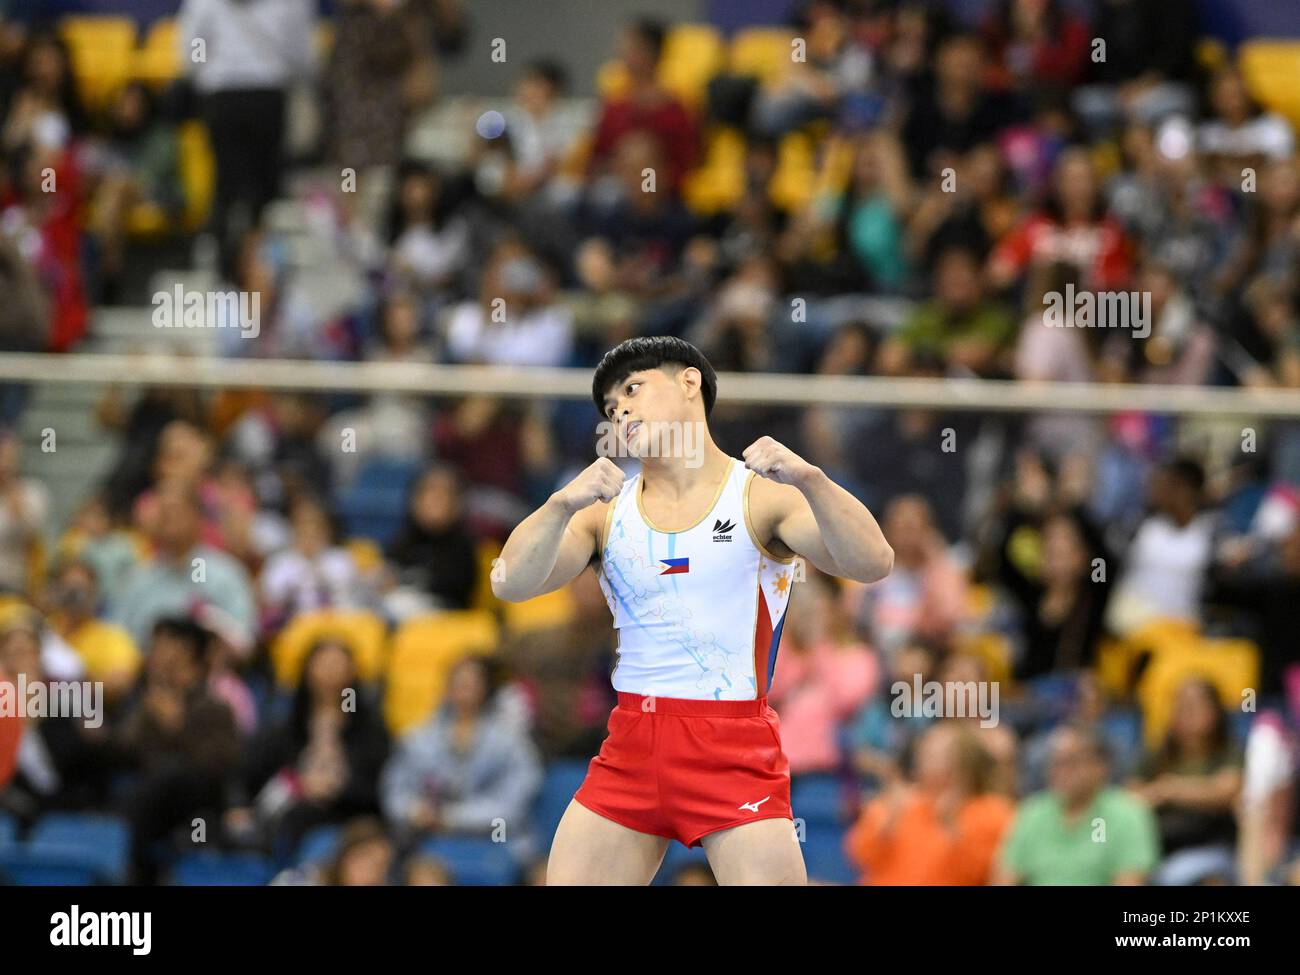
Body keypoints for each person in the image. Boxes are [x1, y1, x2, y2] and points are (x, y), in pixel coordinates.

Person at [494, 335, 893, 884]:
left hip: (732, 751)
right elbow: (510, 583)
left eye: (633, 389)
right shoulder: (604, 512)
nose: (622, 410)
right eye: (612, 407)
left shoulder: (761, 497)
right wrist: (560, 503)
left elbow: (873, 562)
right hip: (632, 744)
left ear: (690, 382)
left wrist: (811, 479)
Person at [845, 722, 1015, 885]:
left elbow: (983, 874)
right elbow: (860, 856)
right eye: (924, 748)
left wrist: (951, 828)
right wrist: (887, 826)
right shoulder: (898, 802)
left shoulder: (993, 812)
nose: (923, 756)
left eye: (934, 752)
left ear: (965, 761)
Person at [995, 725, 1160, 885]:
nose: (1061, 772)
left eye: (1072, 762)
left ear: (1101, 766)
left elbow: (1130, 880)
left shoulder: (1128, 814)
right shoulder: (1032, 812)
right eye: (1055, 763)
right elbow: (1004, 878)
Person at [1131, 678, 1242, 885]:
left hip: (1210, 844)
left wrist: (1168, 789)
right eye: (1180, 704)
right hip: (1155, 844)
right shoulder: (1156, 754)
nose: (1186, 712)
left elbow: (1226, 792)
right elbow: (1130, 799)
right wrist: (1193, 792)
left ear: (1215, 711)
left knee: (1179, 876)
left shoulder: (1229, 751)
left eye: (1195, 705)